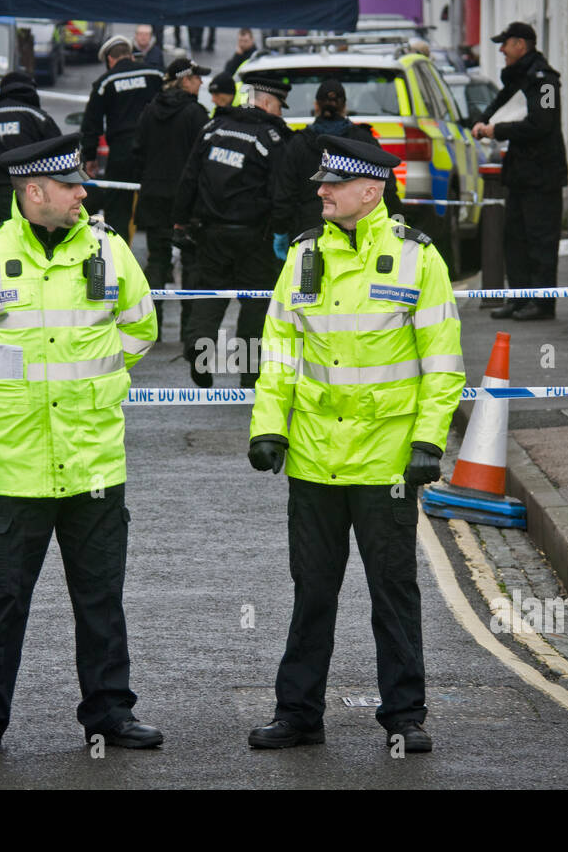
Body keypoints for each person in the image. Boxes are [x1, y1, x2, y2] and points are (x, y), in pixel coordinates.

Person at [0, 133, 161, 756]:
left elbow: (142, 328)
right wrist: (9, 385)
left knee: (101, 600)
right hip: (15, 469)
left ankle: (110, 714)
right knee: (1, 602)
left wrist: (103, 377)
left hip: (93, 462)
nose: (83, 192)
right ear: (35, 192)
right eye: (71, 185)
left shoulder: (110, 252)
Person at [246, 135, 466, 752]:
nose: (321, 192)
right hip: (314, 458)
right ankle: (297, 715)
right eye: (321, 183)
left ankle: (404, 716)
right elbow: (281, 351)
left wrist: (428, 440)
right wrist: (268, 426)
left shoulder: (418, 258)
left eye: (332, 184)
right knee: (311, 592)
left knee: (392, 591)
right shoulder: (304, 255)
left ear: (370, 192)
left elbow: (442, 361)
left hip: (386, 462)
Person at [172, 73, 292, 390]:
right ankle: (249, 374)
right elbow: (282, 190)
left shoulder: (214, 129)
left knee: (211, 294)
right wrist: (282, 231)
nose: (280, 113)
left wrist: (180, 221)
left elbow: (188, 178)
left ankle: (199, 348)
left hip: (211, 232)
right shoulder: (271, 138)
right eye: (280, 106)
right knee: (255, 303)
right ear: (266, 103)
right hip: (256, 236)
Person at [471, 21, 568, 321]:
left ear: (521, 45)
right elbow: (500, 104)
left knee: (540, 240)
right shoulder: (520, 78)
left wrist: (495, 129)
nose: (501, 49)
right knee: (515, 238)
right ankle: (519, 297)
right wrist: (482, 122)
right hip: (521, 174)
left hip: (543, 175)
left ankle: (542, 303)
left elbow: (542, 123)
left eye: (505, 43)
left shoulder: (546, 81)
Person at [134, 58, 211, 343]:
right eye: (197, 78)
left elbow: (137, 150)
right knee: (191, 261)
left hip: (153, 195)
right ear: (184, 80)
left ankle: (151, 328)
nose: (201, 83)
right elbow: (205, 157)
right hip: (186, 199)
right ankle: (189, 331)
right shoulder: (196, 114)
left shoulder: (150, 111)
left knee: (157, 260)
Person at [270, 79, 400, 245]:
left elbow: (284, 193)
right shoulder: (365, 140)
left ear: (316, 106)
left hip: (308, 230)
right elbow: (386, 189)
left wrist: (281, 231)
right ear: (344, 106)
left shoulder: (298, 143)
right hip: (357, 230)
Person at [81, 35, 164, 243]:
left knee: (118, 207)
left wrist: (89, 158)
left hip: (122, 153)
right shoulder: (154, 74)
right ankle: (159, 264)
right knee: (157, 206)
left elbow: (91, 124)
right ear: (130, 54)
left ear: (109, 59)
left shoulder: (105, 82)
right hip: (155, 151)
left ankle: (119, 259)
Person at [0, 71, 61, 228]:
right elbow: (59, 156)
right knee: (32, 245)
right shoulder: (38, 118)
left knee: (0, 243)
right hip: (33, 196)